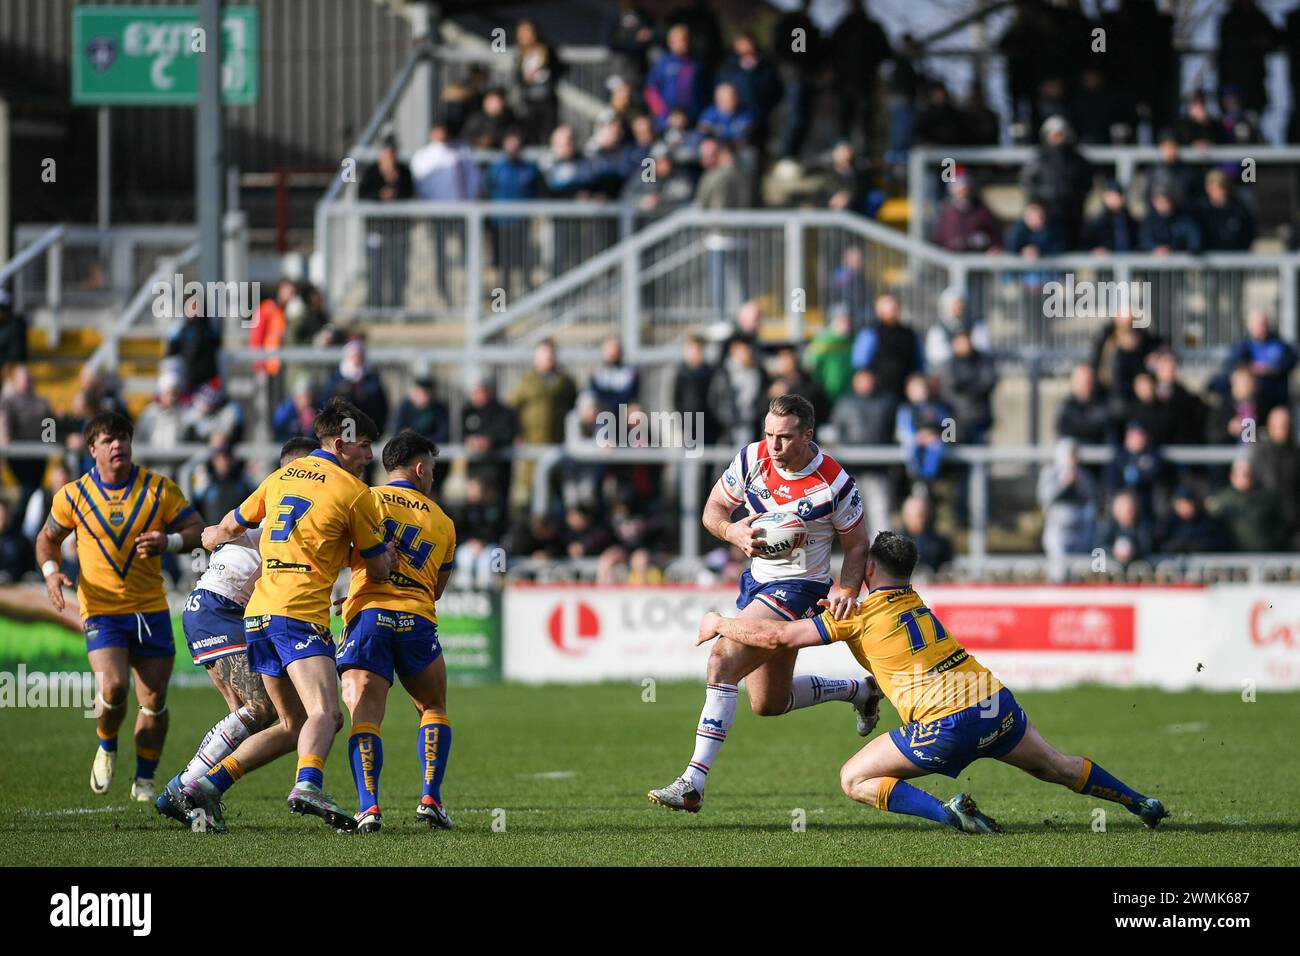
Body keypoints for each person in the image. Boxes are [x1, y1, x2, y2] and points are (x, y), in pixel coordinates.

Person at [696, 531, 1169, 833]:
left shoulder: (857, 615)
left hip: (945, 724)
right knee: (1059, 767)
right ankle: (1140, 802)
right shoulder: (914, 598)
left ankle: (950, 814)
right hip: (992, 703)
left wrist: (720, 622)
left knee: (854, 778)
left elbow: (777, 638)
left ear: (872, 572)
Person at [647, 395, 877, 814]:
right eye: (769, 434)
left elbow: (858, 542)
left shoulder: (834, 482)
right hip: (757, 585)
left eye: (785, 438)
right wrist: (730, 531)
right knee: (768, 703)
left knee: (721, 661)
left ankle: (693, 782)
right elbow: (714, 509)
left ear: (808, 435)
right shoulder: (752, 458)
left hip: (801, 590)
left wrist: (846, 590)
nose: (774, 446)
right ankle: (859, 690)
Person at [182, 398, 394, 832]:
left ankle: (207, 785)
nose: (371, 456)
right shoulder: (356, 494)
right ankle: (308, 783)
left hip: (257, 615)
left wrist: (210, 536)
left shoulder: (279, 478)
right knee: (327, 715)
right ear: (341, 444)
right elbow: (376, 567)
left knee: (290, 723)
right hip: (298, 614)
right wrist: (386, 556)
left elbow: (229, 526)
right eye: (366, 446)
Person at [37, 412, 204, 801]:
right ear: (92, 448)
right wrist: (50, 572)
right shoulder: (73, 495)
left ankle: (145, 777)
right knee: (113, 687)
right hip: (102, 610)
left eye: (124, 438)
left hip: (150, 610)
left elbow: (198, 529)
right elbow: (47, 539)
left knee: (155, 701)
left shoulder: (158, 489)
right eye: (109, 440)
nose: (118, 445)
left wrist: (170, 542)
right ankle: (107, 743)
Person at [153, 437, 319, 825]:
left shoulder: (275, 505)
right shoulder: (288, 512)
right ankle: (184, 788)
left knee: (258, 716)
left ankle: (196, 800)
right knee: (263, 710)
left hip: (219, 610)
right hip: (219, 608)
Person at [337, 430, 456, 831]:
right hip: (417, 619)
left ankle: (369, 807)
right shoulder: (443, 521)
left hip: (369, 615)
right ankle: (430, 798)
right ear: (420, 469)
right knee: (433, 706)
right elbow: (436, 589)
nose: (433, 478)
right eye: (433, 471)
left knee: (365, 714)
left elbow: (336, 550)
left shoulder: (364, 498)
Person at [358, 141, 415, 311]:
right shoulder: (371, 172)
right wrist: (380, 196)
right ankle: (374, 306)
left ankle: (397, 307)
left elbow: (409, 194)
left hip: (399, 231)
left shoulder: (404, 171)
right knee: (375, 271)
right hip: (377, 231)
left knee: (399, 272)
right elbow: (362, 196)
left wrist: (394, 182)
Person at [1216, 310, 1296, 419]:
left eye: (1263, 324)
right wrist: (1250, 369)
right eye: (1258, 325)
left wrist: (1269, 370)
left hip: (1276, 399)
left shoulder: (1279, 344)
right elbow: (1231, 366)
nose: (1261, 328)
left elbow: (1289, 361)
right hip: (1251, 401)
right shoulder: (1243, 346)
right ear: (1250, 326)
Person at [1038, 438, 1098, 581]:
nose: (1073, 458)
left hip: (1081, 528)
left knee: (1081, 570)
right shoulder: (1050, 473)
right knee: (1059, 570)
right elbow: (1044, 497)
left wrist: (1077, 482)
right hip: (1059, 530)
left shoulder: (1083, 474)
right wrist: (1062, 483)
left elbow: (1091, 496)